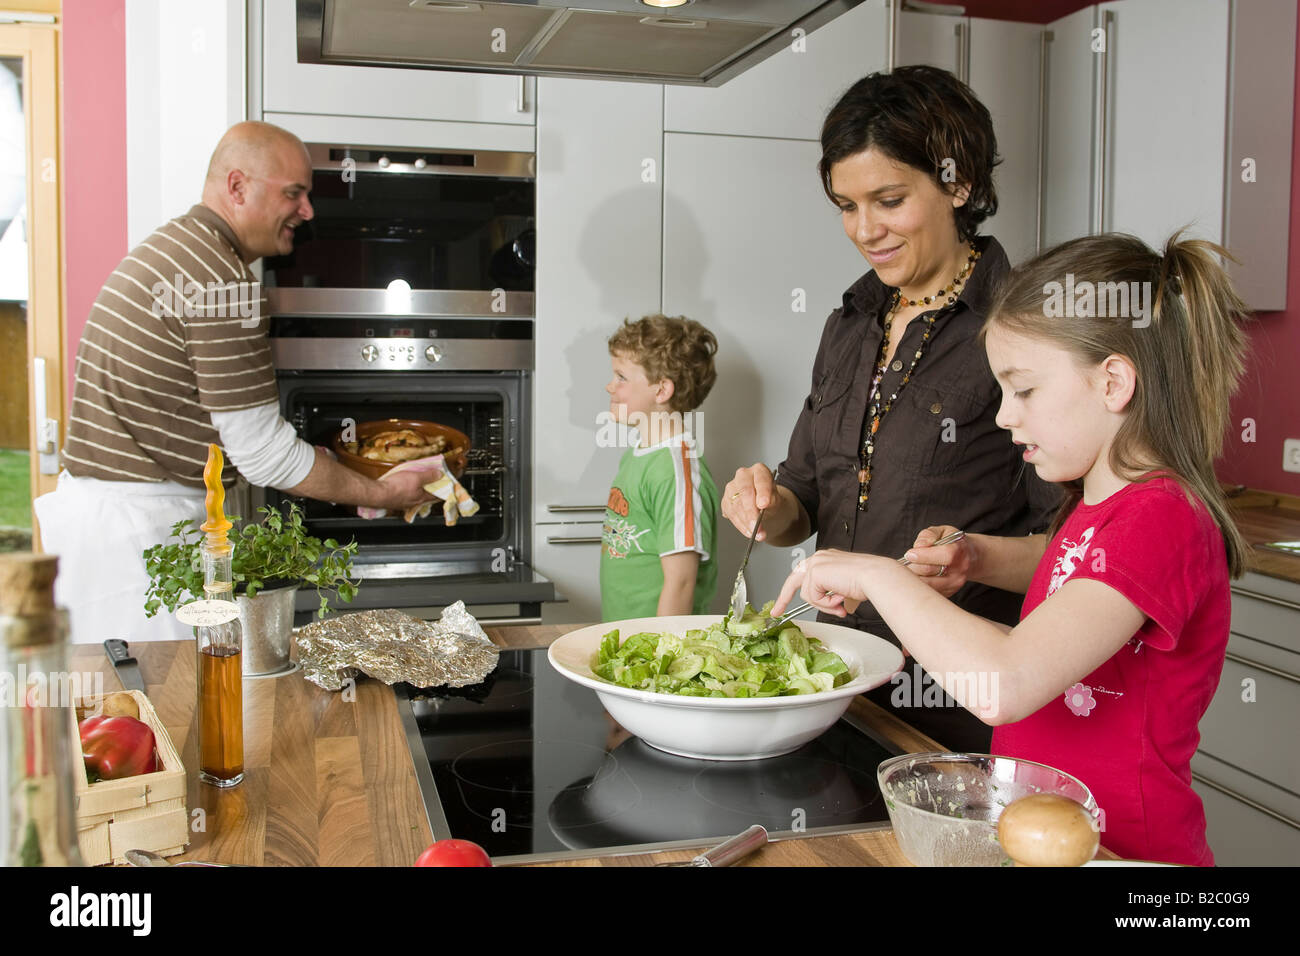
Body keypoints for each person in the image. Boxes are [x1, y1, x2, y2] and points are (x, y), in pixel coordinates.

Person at [774, 230, 1249, 866]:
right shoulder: (1101, 506)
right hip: (1041, 843)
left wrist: (883, 577)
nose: (1003, 415)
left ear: (1113, 382)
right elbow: (1079, 571)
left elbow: (1004, 684)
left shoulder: (1163, 518)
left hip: (1123, 857)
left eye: (1023, 389)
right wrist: (979, 557)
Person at [721, 67, 1059, 753]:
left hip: (955, 705)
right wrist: (765, 505)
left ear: (957, 184)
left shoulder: (1026, 327)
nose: (864, 229)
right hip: (833, 677)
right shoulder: (850, 322)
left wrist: (971, 556)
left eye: (889, 199)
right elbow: (805, 497)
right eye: (846, 205)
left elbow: (1075, 555)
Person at [35, 121, 433, 642]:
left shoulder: (181, 250)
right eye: (294, 193)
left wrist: (331, 464)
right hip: (139, 542)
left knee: (127, 717)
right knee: (162, 714)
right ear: (238, 186)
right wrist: (383, 492)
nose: (308, 210)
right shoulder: (219, 279)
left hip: (115, 529)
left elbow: (211, 419)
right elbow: (264, 454)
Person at [600, 315, 720, 621]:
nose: (609, 386)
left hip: (654, 652)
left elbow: (681, 582)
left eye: (622, 377)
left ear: (662, 390)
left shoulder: (676, 471)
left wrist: (660, 659)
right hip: (627, 642)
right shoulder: (638, 455)